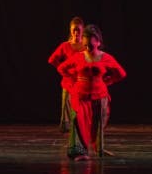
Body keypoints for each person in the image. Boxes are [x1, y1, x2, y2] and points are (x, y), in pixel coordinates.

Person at [57, 24, 126, 160]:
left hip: (99, 96)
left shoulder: (106, 57)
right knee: (78, 122)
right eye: (85, 45)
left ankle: (99, 148)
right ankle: (80, 152)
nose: (88, 48)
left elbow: (121, 73)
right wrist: (73, 80)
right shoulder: (78, 56)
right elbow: (62, 68)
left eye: (91, 45)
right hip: (80, 96)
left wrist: (107, 81)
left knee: (98, 124)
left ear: (98, 42)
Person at [48, 17, 87, 132]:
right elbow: (52, 60)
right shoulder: (65, 46)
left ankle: (81, 130)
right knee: (67, 110)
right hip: (69, 82)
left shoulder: (86, 46)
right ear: (70, 30)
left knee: (82, 109)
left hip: (82, 83)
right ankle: (68, 131)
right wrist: (63, 70)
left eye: (78, 30)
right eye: (74, 30)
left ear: (82, 30)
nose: (76, 32)